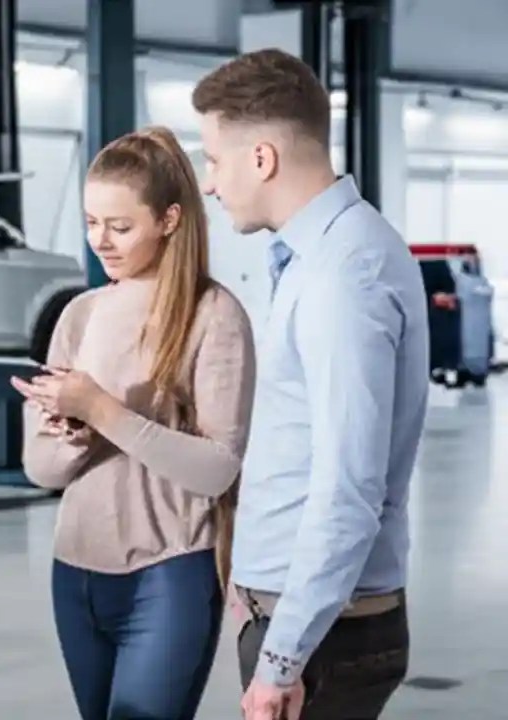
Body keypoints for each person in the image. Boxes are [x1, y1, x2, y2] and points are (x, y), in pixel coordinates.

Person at [191, 48, 429, 720]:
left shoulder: (340, 276)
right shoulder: (324, 256)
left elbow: (348, 486)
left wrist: (280, 658)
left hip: (321, 641)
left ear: (261, 158)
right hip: (306, 619)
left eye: (213, 160)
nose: (210, 184)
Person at [12, 125, 257, 719]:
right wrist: (73, 436)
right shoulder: (80, 313)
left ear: (170, 219)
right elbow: (39, 469)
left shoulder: (213, 314)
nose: (102, 241)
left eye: (121, 226)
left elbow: (218, 471)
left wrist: (102, 410)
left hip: (168, 572)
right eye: (92, 223)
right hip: (74, 571)